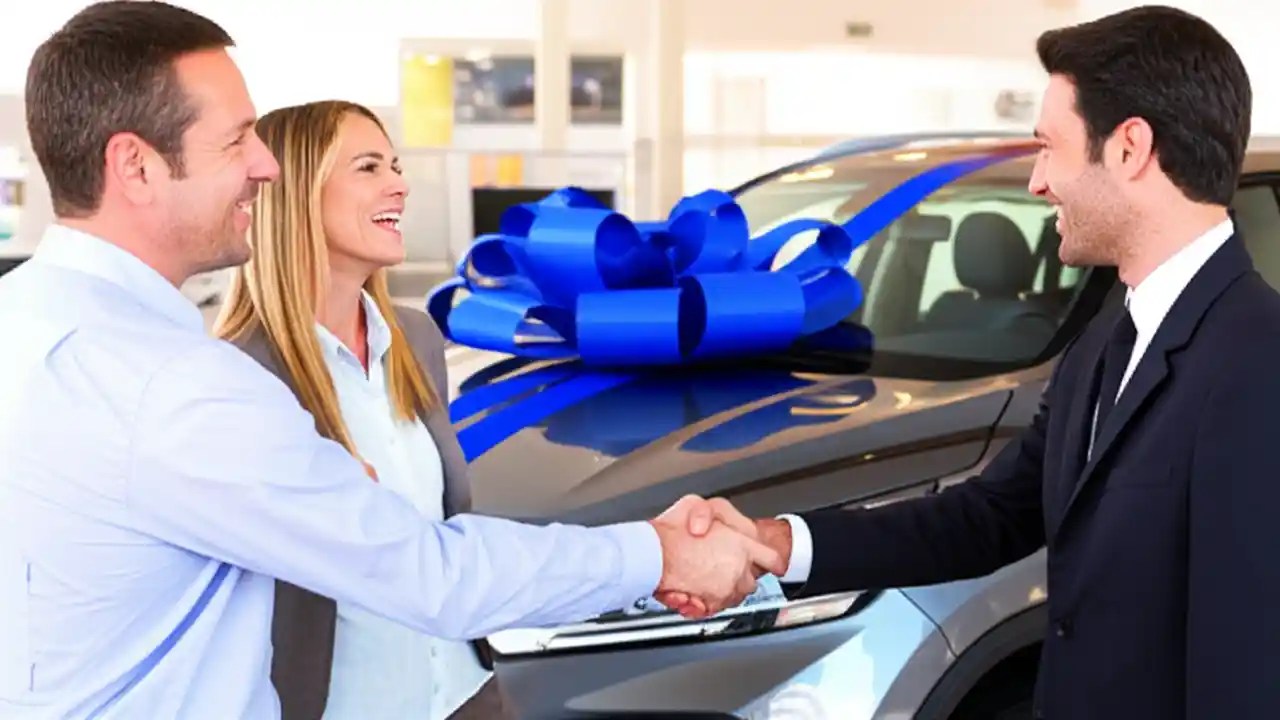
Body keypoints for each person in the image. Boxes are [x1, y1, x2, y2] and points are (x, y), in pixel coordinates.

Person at [0, 3, 781, 718]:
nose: (262, 167)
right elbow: (429, 574)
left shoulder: (25, 321)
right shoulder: (185, 387)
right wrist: (661, 551)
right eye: (236, 139)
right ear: (134, 166)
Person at [667, 6, 1280, 719]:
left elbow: (1248, 667)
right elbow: (987, 516)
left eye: (1049, 147)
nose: (1038, 182)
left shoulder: (1257, 362)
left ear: (1129, 148)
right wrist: (776, 543)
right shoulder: (1110, 340)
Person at [211, 100, 497, 718]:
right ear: (293, 195)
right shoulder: (235, 376)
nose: (400, 183)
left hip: (468, 693)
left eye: (394, 165)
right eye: (368, 167)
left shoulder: (416, 341)